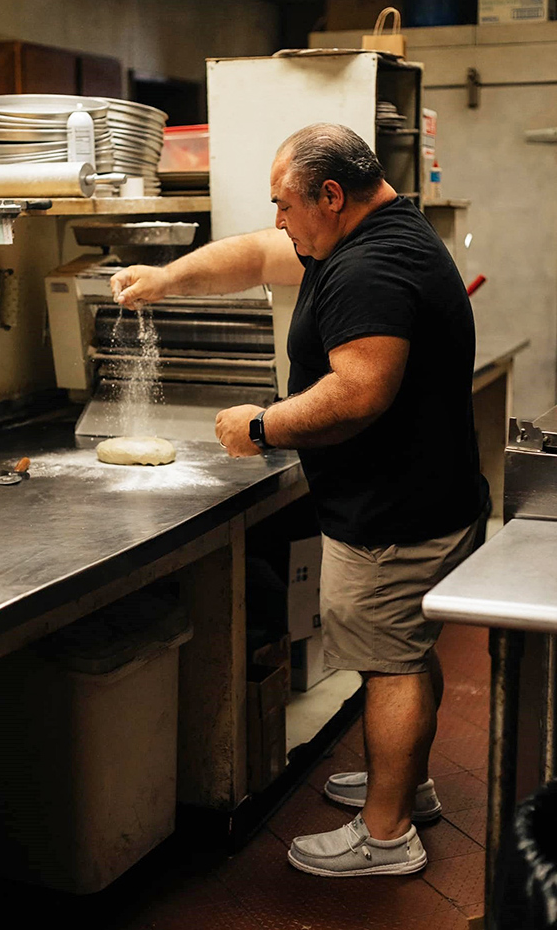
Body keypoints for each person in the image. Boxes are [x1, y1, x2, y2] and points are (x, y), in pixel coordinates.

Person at [110, 123, 488, 878]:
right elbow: (255, 255)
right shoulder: (360, 232)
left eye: (286, 203)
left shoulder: (371, 266)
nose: (279, 219)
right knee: (404, 650)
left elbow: (359, 394)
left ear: (332, 195)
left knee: (391, 664)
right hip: (421, 498)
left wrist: (261, 424)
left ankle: (386, 836)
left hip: (396, 514)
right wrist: (166, 279)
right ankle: (403, 786)